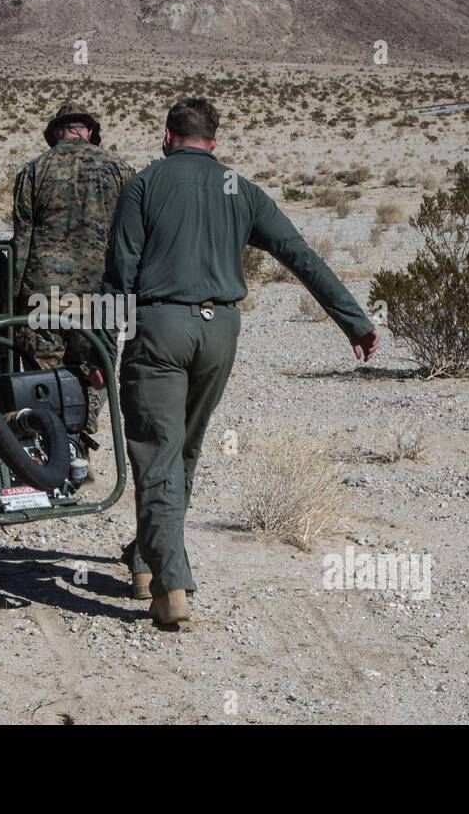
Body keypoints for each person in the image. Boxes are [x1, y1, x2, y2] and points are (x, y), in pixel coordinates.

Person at [101, 98, 380, 624]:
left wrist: (97, 344)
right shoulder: (240, 189)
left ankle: (170, 585)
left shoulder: (144, 184)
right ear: (215, 141)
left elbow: (119, 272)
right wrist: (354, 321)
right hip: (220, 331)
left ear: (166, 137)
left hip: (159, 328)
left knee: (156, 453)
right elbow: (300, 254)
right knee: (182, 452)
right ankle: (145, 560)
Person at [12, 102, 133, 434]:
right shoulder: (120, 170)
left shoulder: (35, 170)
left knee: (43, 380)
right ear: (90, 132)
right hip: (96, 302)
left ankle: (48, 453)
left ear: (56, 133)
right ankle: (81, 449)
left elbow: (21, 244)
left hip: (43, 299)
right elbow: (131, 240)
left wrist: (13, 299)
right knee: (90, 374)